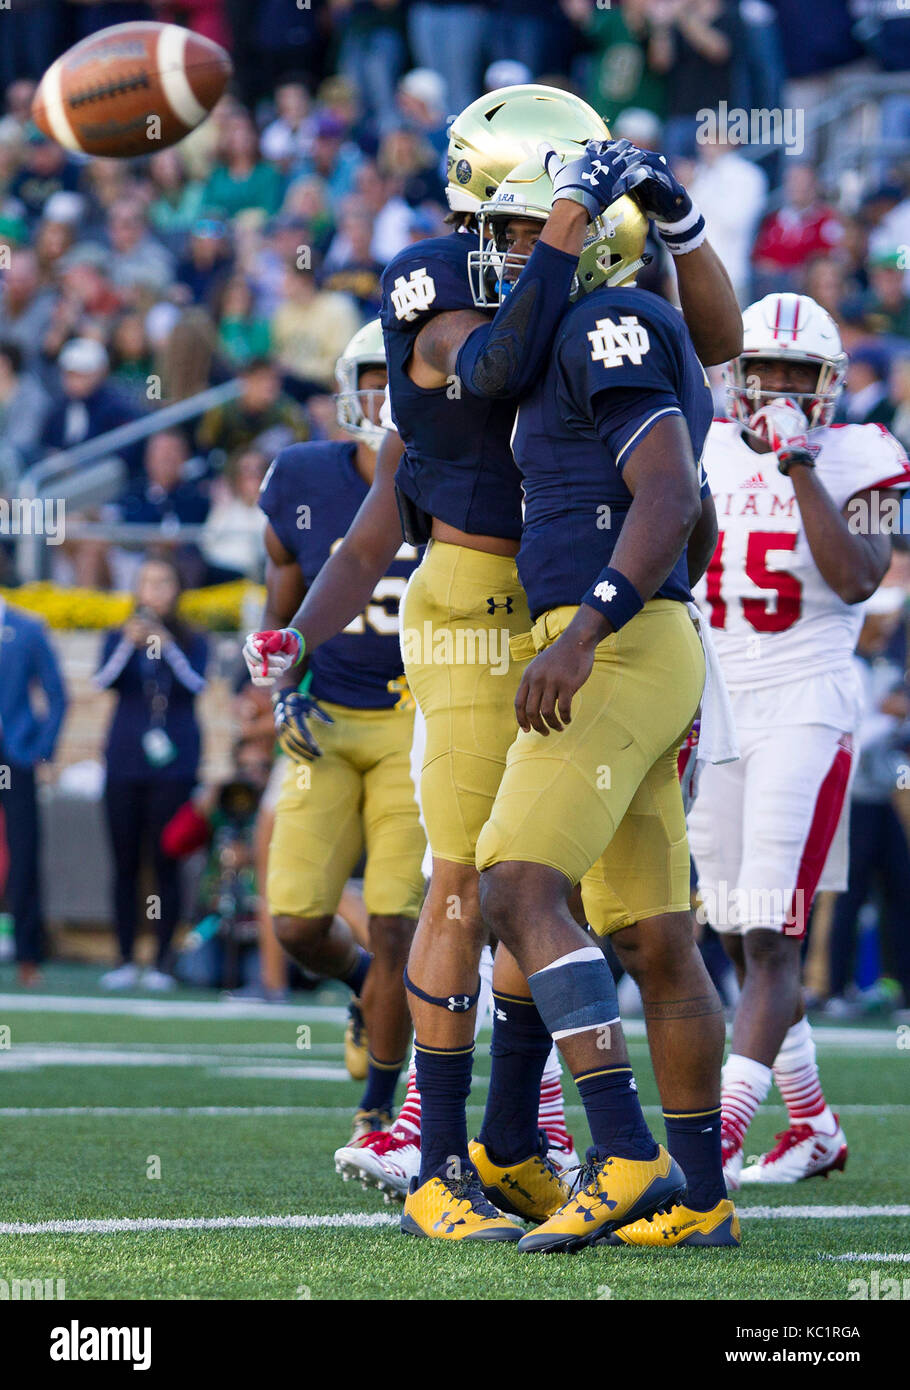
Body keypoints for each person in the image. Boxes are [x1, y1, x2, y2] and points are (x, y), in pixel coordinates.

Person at [244, 84, 743, 1237]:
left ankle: (518, 1143)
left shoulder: (597, 286)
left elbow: (709, 347)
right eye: (528, 206)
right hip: (482, 602)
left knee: (571, 894)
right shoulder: (434, 274)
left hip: (592, 613)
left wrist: (676, 228)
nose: (533, 227)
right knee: (471, 877)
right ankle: (434, 1160)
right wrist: (566, 237)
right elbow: (495, 370)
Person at [469, 149, 731, 1252]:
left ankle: (622, 1147)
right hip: (640, 639)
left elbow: (670, 493)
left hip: (613, 646)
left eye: (533, 231)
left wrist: (584, 629)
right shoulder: (610, 328)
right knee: (656, 935)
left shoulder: (600, 325)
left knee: (514, 885)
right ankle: (702, 1193)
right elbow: (696, 511)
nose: (517, 250)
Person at [688, 292, 910, 1186]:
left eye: (796, 374)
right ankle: (813, 1124)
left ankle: (718, 1133)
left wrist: (800, 467)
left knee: (776, 936)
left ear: (830, 385)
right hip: (716, 709)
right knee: (737, 932)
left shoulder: (863, 454)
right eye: (763, 372)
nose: (777, 388)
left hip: (805, 709)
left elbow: (860, 580)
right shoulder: (698, 445)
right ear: (735, 377)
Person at [252, 320, 426, 1146]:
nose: (384, 394)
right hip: (325, 715)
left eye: (399, 377)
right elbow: (280, 596)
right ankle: (361, 986)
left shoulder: (449, 471)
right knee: (293, 921)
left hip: (413, 718)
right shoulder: (302, 475)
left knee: (396, 918)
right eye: (371, 377)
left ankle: (377, 1110)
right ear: (342, 387)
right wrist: (282, 684)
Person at [95, 557, 209, 991]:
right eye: (146, 583)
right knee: (125, 861)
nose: (154, 591)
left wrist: (167, 644)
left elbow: (197, 685)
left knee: (166, 861)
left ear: (176, 589)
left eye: (163, 582)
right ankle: (124, 957)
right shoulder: (118, 636)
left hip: (173, 766)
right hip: (124, 763)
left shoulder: (192, 638)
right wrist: (129, 644)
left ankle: (162, 960)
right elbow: (102, 681)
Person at [826, 580, 910, 1016]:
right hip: (852, 797)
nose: (889, 625)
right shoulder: (847, 668)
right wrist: (889, 717)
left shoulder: (886, 668)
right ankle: (835, 990)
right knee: (849, 893)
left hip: (881, 795)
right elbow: (852, 736)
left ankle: (902, 991)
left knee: (900, 888)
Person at [0, 596, 67, 985]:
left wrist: (40, 751)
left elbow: (57, 694)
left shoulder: (27, 628)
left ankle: (28, 956)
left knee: (24, 853)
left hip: (15, 757)